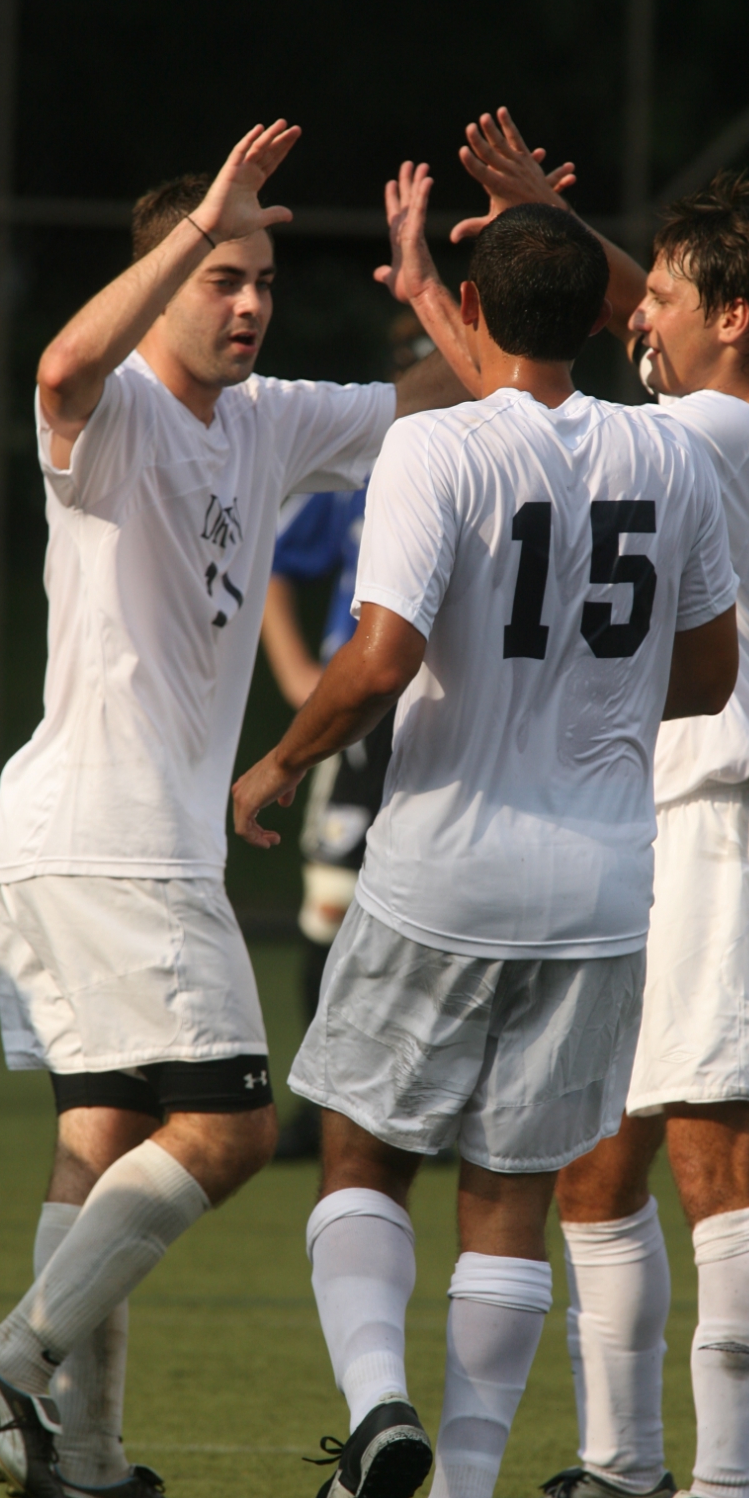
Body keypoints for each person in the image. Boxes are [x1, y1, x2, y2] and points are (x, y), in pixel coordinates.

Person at [0, 121, 467, 1498]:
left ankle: (87, 1462)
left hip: (97, 842)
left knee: (103, 1137)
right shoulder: (115, 411)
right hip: (111, 842)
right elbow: (58, 369)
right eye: (221, 277)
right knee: (231, 1130)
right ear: (166, 278)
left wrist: (448, 295)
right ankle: (13, 1357)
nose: (247, 304)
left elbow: (441, 400)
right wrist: (194, 221)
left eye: (261, 283)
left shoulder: (271, 416)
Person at [231, 200, 740, 1498]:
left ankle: (376, 1408)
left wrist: (279, 761)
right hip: (601, 887)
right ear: (602, 316)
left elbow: (381, 658)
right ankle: (460, 1492)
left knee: (362, 1156)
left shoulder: (436, 445)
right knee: (510, 1198)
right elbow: (709, 673)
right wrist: (589, 699)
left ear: (472, 307)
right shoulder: (674, 453)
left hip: (443, 869)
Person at [407, 110, 749, 1498]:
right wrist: (521, 251)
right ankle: (623, 1467)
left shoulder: (747, 432)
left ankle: (731, 1488)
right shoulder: (693, 424)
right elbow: (583, 379)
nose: (637, 310)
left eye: (667, 293)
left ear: (734, 318)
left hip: (733, 820)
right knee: (595, 1163)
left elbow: (551, 418)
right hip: (643, 833)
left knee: (720, 1158)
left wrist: (522, 253)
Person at [260, 314, 435, 1160]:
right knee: (330, 906)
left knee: (442, 913)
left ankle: (428, 1110)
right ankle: (321, 1107)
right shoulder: (366, 458)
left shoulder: (504, 453)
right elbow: (275, 559)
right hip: (361, 715)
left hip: (452, 709)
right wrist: (301, 675)